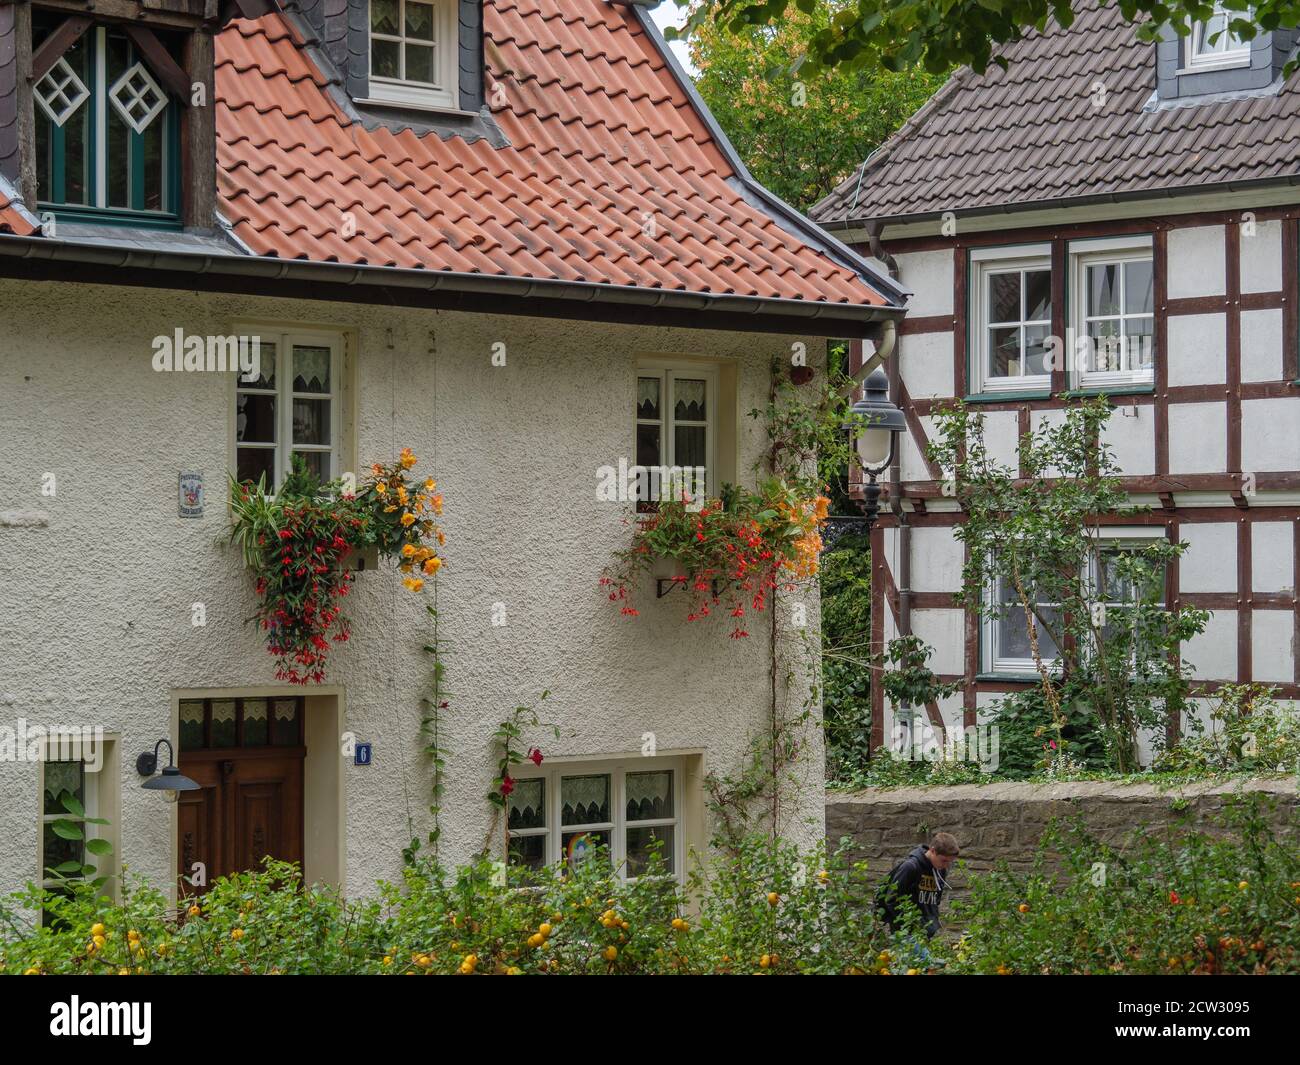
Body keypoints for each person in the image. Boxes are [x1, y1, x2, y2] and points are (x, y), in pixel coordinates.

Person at [877, 832, 959, 940]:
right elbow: (891, 899)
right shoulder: (910, 867)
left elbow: (935, 900)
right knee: (926, 957)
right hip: (907, 934)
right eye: (944, 860)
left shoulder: (940, 871)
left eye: (950, 862)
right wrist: (909, 925)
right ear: (932, 850)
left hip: (926, 934)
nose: (946, 865)